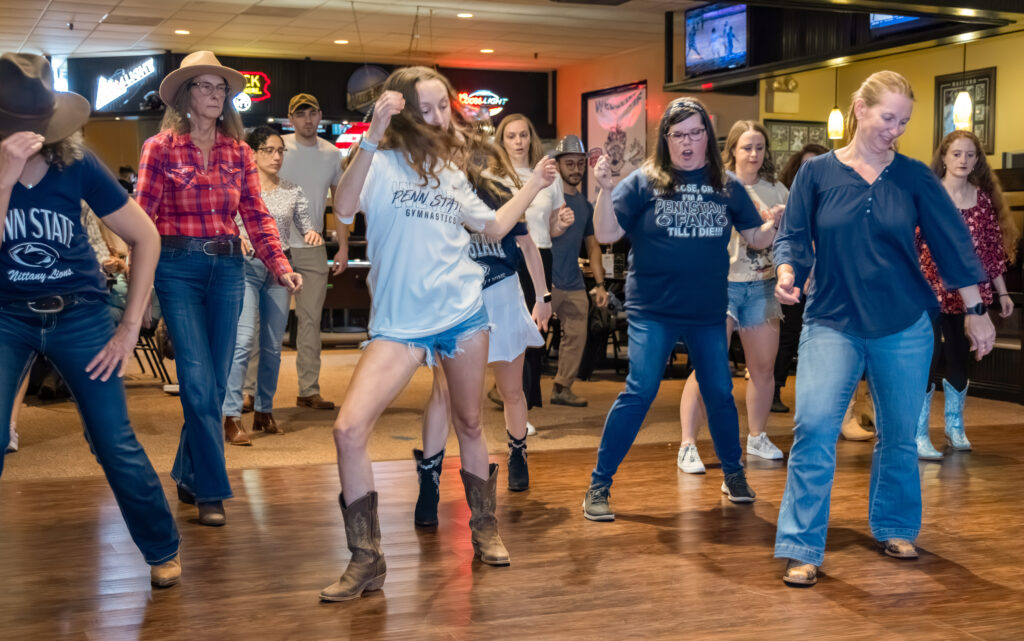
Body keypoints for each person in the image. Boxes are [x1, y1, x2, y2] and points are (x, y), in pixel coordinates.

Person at [320, 66, 557, 602]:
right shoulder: (378, 161)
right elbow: (344, 207)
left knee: (470, 422)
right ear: (400, 111)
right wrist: (373, 134)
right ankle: (366, 559)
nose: (435, 117)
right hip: (400, 326)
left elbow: (494, 227)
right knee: (348, 429)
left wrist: (537, 184)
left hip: (461, 314)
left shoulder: (455, 172)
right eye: (422, 109)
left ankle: (485, 527)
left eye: (441, 107)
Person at [773, 71, 995, 587]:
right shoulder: (818, 174)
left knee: (898, 435)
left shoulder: (915, 177)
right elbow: (794, 237)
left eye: (904, 121)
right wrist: (788, 271)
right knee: (813, 431)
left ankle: (894, 525)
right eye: (887, 117)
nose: (895, 129)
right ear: (859, 108)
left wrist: (977, 310)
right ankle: (802, 545)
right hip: (832, 319)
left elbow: (951, 245)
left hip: (904, 324)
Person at [0, 52, 181, 587]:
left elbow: (146, 236)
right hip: (7, 315)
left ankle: (162, 547)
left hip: (80, 316)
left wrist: (129, 327)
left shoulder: (76, 162)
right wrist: (5, 177)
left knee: (111, 439)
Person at [582, 97, 778, 522]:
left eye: (695, 133)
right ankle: (599, 484)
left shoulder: (726, 184)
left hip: (708, 309)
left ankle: (734, 474)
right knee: (640, 390)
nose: (687, 143)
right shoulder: (644, 180)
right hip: (653, 308)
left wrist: (774, 223)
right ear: (665, 139)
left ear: (708, 135)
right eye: (678, 135)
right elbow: (607, 232)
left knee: (721, 393)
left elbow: (757, 238)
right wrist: (605, 190)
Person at [136, 51, 301, 526]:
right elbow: (143, 221)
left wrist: (279, 264)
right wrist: (141, 289)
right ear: (186, 95)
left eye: (219, 87)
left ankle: (188, 472)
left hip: (229, 268)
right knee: (196, 379)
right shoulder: (160, 148)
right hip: (176, 267)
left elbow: (256, 215)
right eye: (203, 86)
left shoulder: (238, 152)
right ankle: (211, 490)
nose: (213, 94)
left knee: (214, 381)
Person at [414, 154, 553, 520]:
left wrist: (543, 297)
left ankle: (518, 451)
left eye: (458, 144)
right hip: (454, 300)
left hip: (502, 293)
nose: (453, 152)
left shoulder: (494, 190)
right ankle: (429, 480)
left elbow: (526, 245)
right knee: (444, 393)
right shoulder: (427, 191)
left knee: (511, 389)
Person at [677, 120, 786, 474]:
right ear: (733, 152)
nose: (754, 154)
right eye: (746, 147)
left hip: (763, 285)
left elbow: (791, 240)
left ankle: (756, 436)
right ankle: (688, 444)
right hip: (719, 284)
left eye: (759, 147)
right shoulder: (715, 186)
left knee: (763, 368)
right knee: (708, 367)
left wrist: (782, 224)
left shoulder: (778, 190)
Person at [914, 130, 1019, 459]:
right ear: (943, 157)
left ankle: (954, 426)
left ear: (977, 161)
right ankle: (917, 433)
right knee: (926, 359)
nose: (963, 160)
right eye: (956, 154)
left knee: (960, 359)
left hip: (970, 297)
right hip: (928, 291)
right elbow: (913, 245)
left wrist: (1002, 293)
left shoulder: (982, 199)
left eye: (970, 155)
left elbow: (990, 252)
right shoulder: (929, 195)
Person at [222, 127, 319, 440]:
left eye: (280, 151)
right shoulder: (237, 187)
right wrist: (236, 235)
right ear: (252, 152)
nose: (277, 156)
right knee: (243, 340)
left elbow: (306, 225)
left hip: (280, 267)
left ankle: (264, 410)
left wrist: (311, 233)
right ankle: (231, 415)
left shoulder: (292, 190)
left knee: (273, 345)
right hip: (245, 267)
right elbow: (220, 221)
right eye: (269, 150)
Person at [492, 114, 568, 413]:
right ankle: (515, 401)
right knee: (513, 332)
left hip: (542, 257)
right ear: (502, 140)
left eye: (523, 135)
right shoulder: (494, 176)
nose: (518, 142)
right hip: (509, 258)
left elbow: (550, 229)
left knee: (538, 329)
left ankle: (527, 400)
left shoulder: (551, 176)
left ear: (531, 138)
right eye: (511, 136)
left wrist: (561, 223)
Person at [279, 93, 338, 411]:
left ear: (320, 116)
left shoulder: (332, 154)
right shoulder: (277, 148)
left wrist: (341, 246)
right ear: (290, 119)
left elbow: (341, 202)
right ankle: (249, 391)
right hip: (275, 246)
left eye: (312, 113)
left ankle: (308, 390)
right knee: (265, 321)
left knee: (310, 321)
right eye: (300, 114)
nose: (307, 120)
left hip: (313, 248)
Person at [549, 134, 608, 407]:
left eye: (580, 164)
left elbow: (593, 247)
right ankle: (502, 387)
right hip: (544, 280)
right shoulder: (546, 197)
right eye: (569, 163)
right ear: (558, 165)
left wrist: (600, 284)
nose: (575, 169)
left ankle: (562, 386)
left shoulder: (585, 206)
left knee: (576, 334)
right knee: (527, 337)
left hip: (572, 282)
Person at [771, 142, 828, 414]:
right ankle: (774, 391)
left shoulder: (832, 198)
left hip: (825, 281)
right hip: (793, 278)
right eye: (806, 165)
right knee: (788, 336)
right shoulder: (791, 200)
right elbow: (788, 241)